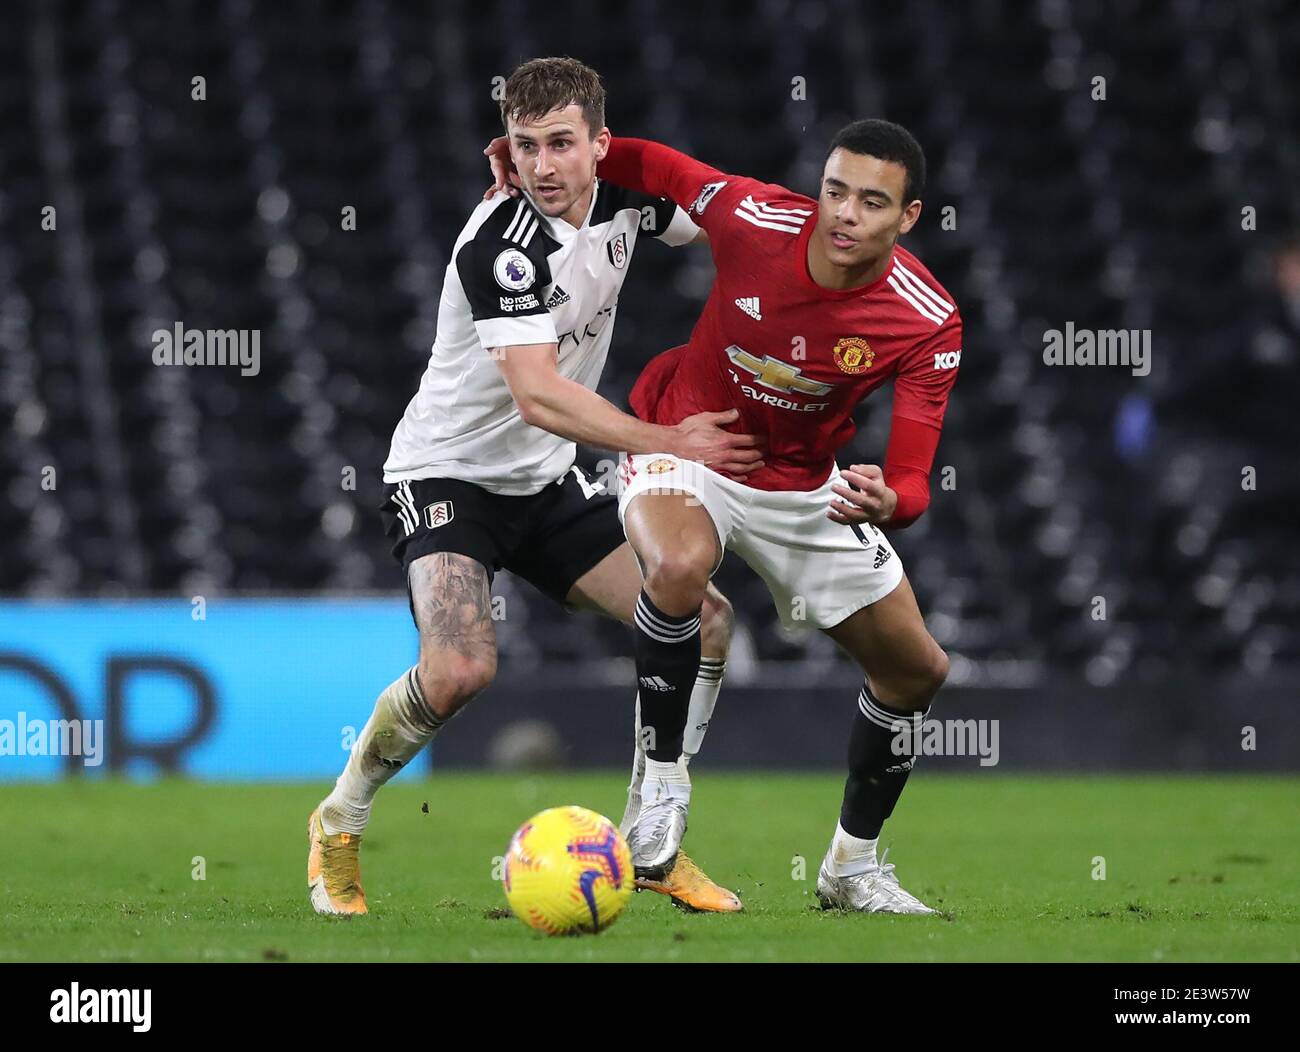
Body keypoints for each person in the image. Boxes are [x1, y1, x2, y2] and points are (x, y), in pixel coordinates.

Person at [307, 57, 757, 917]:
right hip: (448, 474)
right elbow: (540, 395)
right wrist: (669, 438)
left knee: (703, 621)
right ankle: (339, 818)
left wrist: (825, 237)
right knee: (462, 668)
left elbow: (736, 226)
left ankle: (651, 841)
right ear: (504, 151)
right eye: (525, 145)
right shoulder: (501, 246)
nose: (543, 166)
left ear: (600, 144)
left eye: (560, 144)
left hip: (545, 481)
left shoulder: (632, 200)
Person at [486, 117, 961, 913]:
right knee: (677, 566)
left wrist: (893, 501)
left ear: (908, 217)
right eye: (835, 191)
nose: (844, 214)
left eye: (872, 203)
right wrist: (553, 155)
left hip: (807, 485)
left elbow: (913, 475)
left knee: (918, 670)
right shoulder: (753, 216)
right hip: (692, 441)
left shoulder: (926, 318)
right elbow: (654, 165)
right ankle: (664, 784)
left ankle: (852, 867)